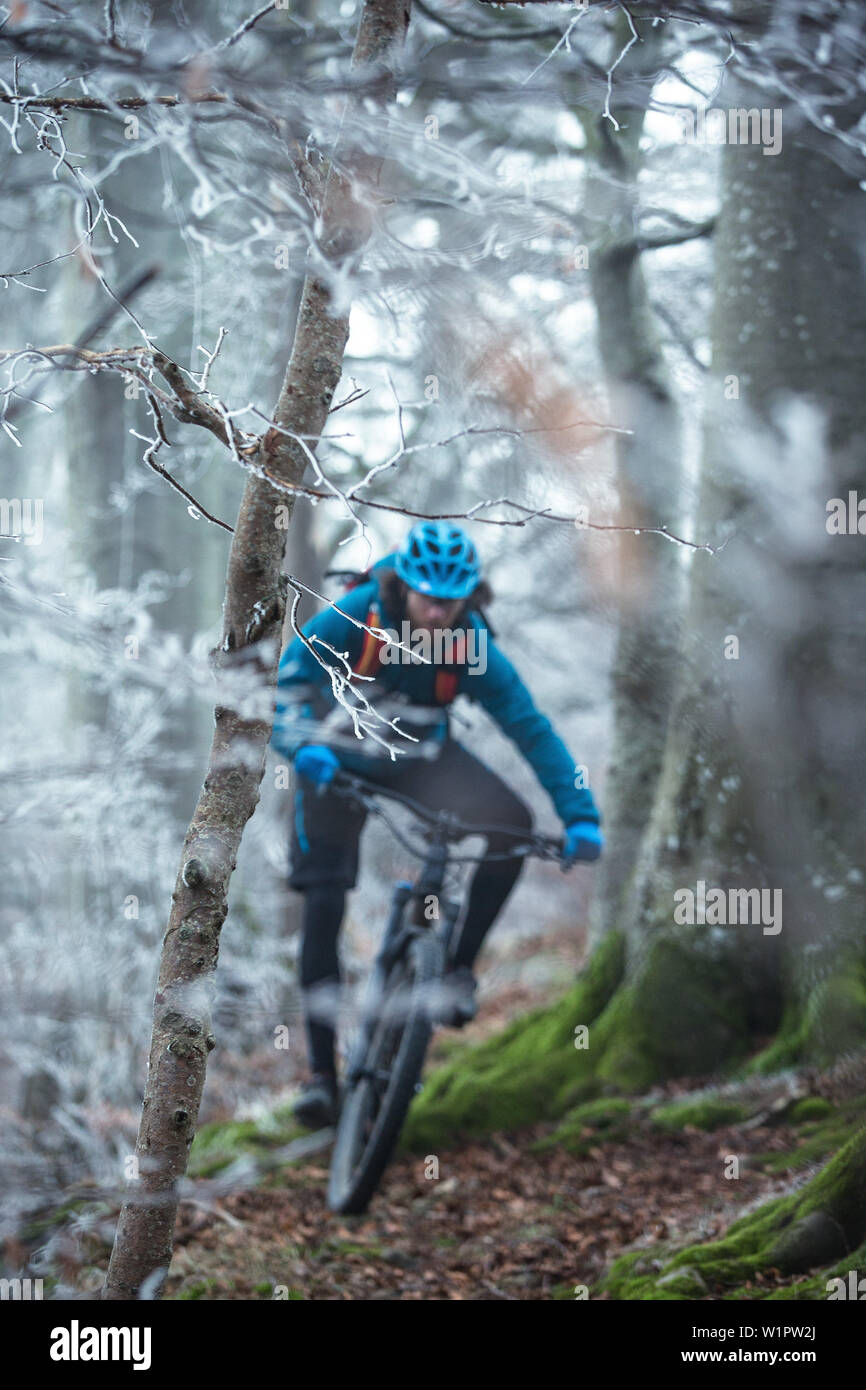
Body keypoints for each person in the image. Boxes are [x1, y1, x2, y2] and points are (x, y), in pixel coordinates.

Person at [271, 520, 603, 1128]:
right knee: (324, 896)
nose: (436, 613)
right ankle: (321, 1077)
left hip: (420, 758)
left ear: (468, 596)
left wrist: (580, 814)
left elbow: (529, 727)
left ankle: (452, 972)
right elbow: (288, 686)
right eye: (427, 597)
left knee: (511, 823)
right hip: (334, 755)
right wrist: (300, 747)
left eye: (450, 602)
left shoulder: (470, 642)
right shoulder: (357, 615)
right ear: (404, 585)